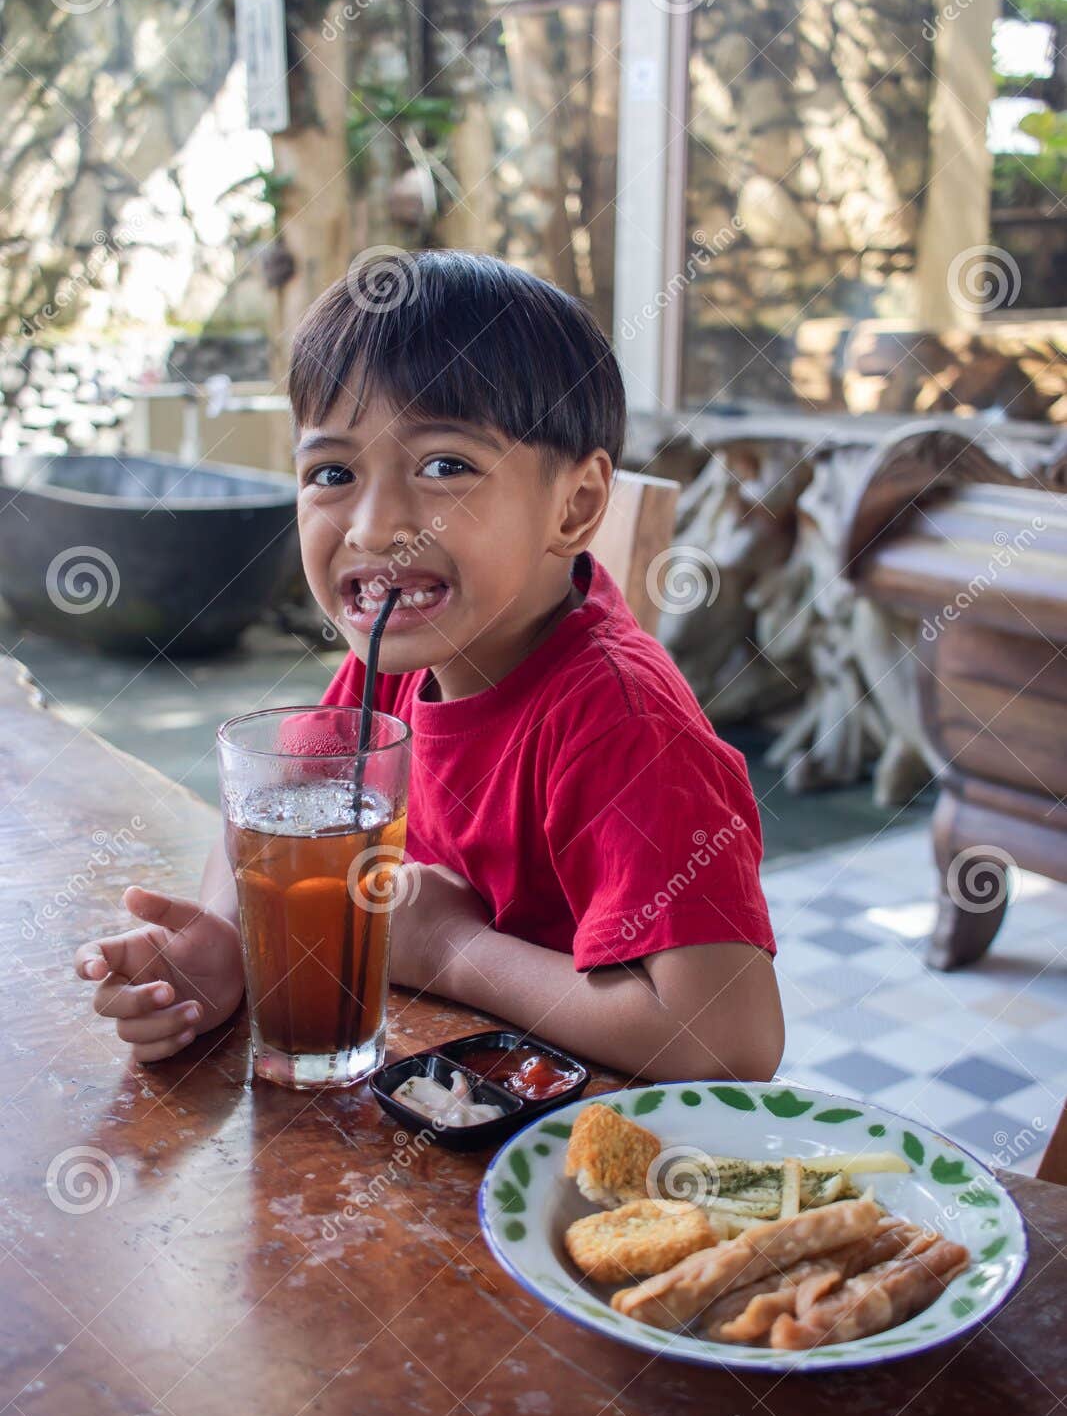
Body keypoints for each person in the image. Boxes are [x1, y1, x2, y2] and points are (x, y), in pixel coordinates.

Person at [74, 251, 783, 1083]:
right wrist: (228, 944)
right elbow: (269, 808)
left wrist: (450, 949)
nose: (375, 528)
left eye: (444, 465)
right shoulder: (392, 663)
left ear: (576, 505)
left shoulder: (620, 723)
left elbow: (728, 1043)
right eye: (332, 473)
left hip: (562, 1164)